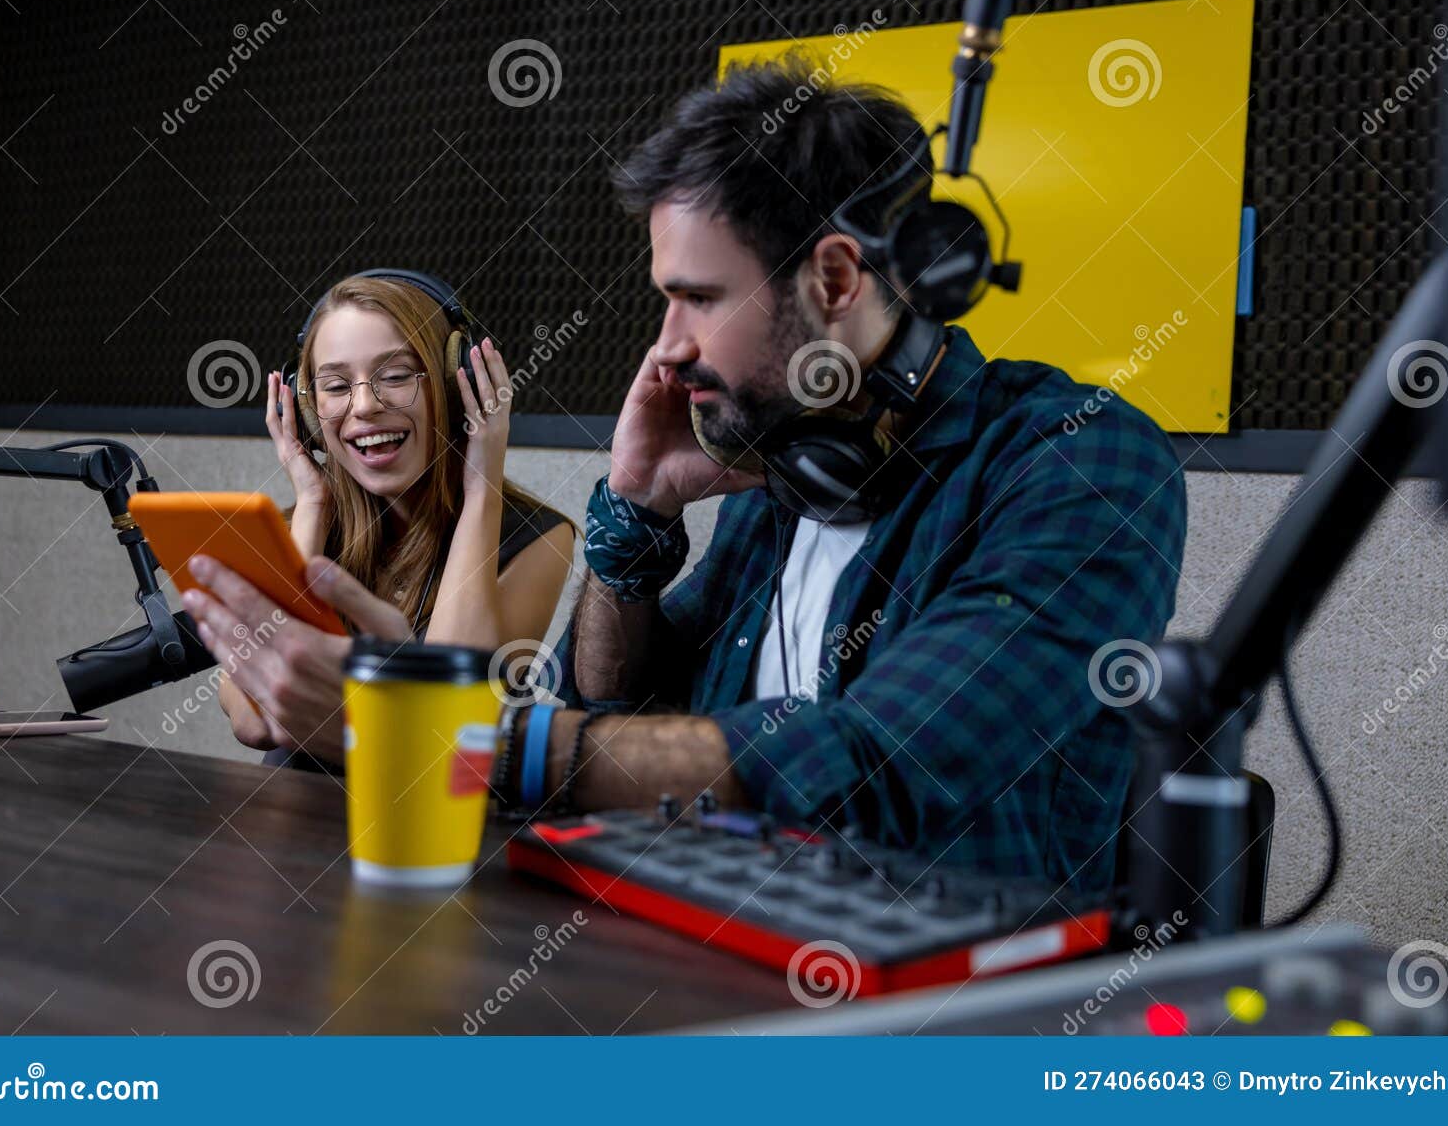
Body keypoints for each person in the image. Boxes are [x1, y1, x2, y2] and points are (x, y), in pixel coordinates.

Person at [186, 58, 1186, 891]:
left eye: (694, 298)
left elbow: (876, 763)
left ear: (833, 279)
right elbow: (624, 717)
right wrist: (633, 519)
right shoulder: (784, 464)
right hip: (718, 954)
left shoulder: (1079, 462)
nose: (664, 348)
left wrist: (445, 740)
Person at [194, 272, 575, 768]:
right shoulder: (299, 531)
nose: (366, 405)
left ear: (455, 385)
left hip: (424, 834)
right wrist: (310, 503)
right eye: (334, 386)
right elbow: (252, 720)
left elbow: (447, 724)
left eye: (395, 376)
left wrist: (483, 485)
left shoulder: (537, 539)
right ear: (307, 410)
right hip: (292, 828)